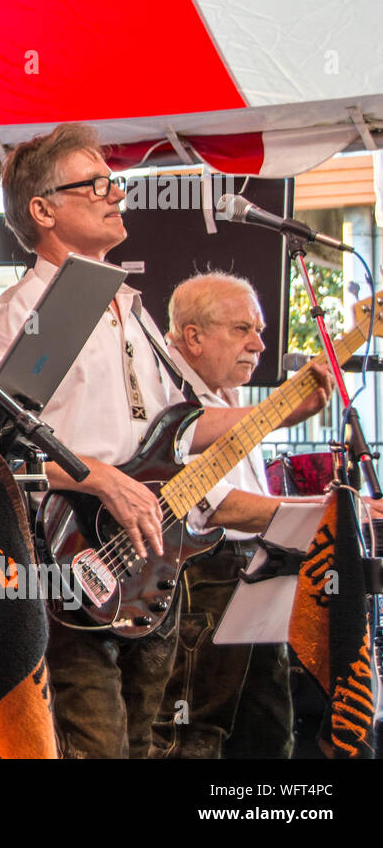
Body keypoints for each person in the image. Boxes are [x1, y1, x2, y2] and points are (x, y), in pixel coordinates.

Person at [0, 123, 329, 758]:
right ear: (44, 209)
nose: (117, 196)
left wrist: (278, 410)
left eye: (116, 183)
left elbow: (178, 433)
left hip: (151, 567)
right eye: (96, 185)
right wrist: (104, 479)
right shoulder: (34, 309)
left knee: (149, 749)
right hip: (75, 561)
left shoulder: (128, 306)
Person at [151, 272, 295, 757]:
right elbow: (221, 508)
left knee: (268, 728)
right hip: (201, 579)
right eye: (242, 329)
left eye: (258, 329)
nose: (258, 343)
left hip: (250, 567)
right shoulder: (172, 398)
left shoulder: (226, 396)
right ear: (193, 336)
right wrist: (327, 514)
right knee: (193, 732)